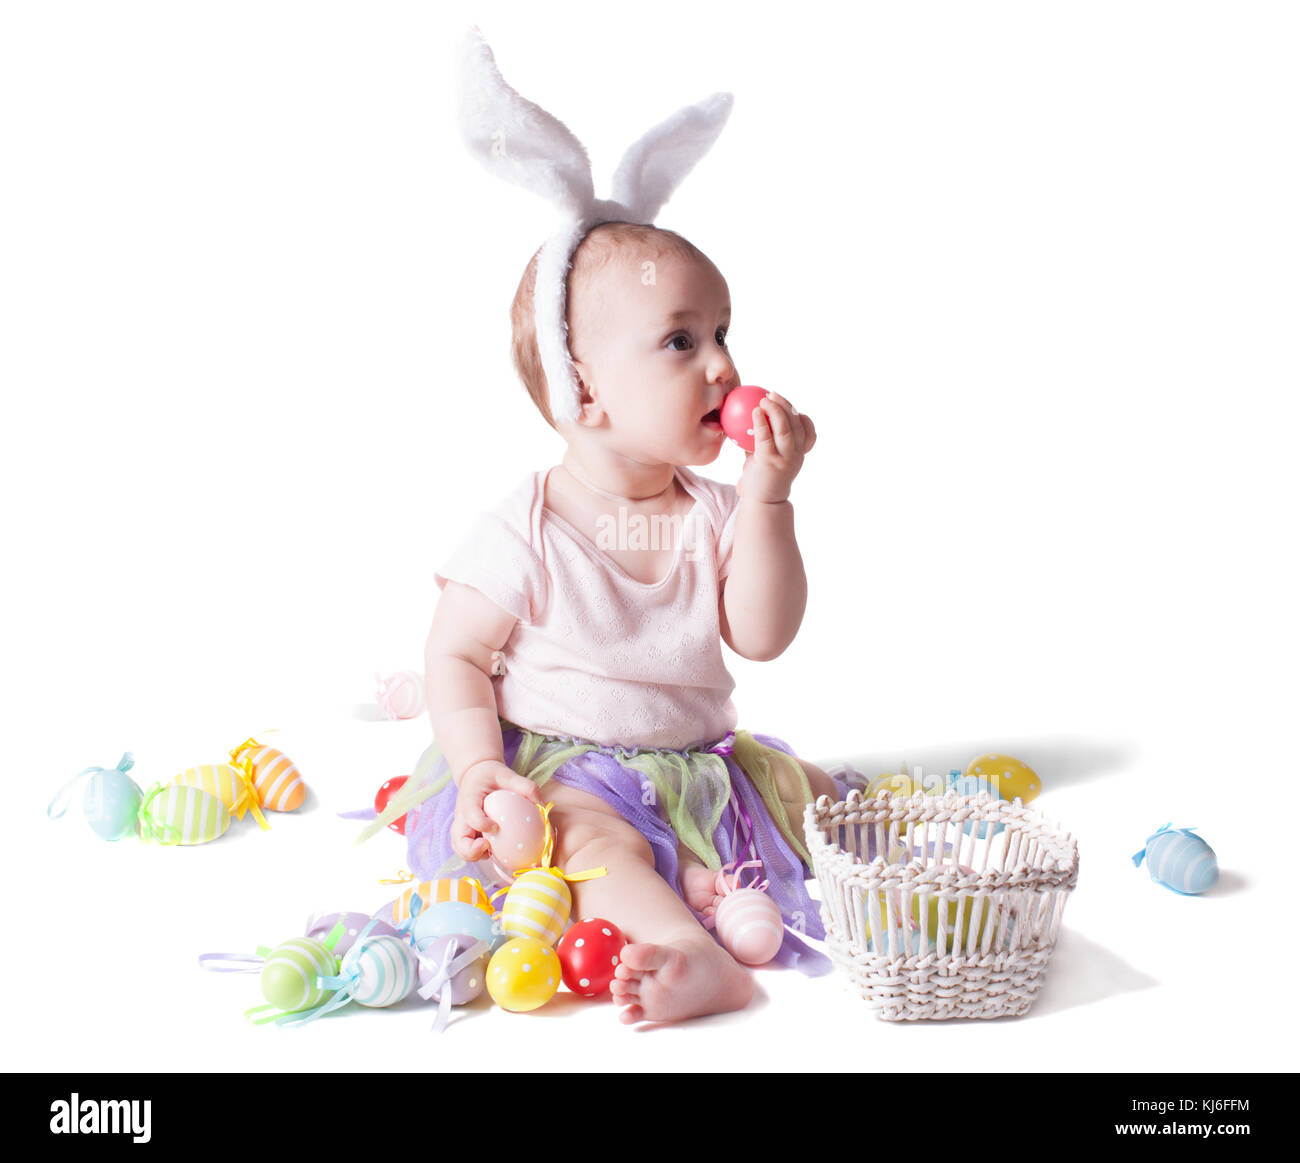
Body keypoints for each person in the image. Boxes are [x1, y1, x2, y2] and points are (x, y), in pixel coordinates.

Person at [411, 220, 842, 1025]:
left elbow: (763, 634)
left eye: (722, 332)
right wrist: (477, 769)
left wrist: (769, 498)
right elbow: (456, 655)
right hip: (571, 775)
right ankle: (695, 952)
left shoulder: (717, 511)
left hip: (697, 766)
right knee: (592, 851)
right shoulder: (525, 530)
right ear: (584, 390)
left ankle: (923, 850)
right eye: (682, 340)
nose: (725, 366)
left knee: (816, 803)